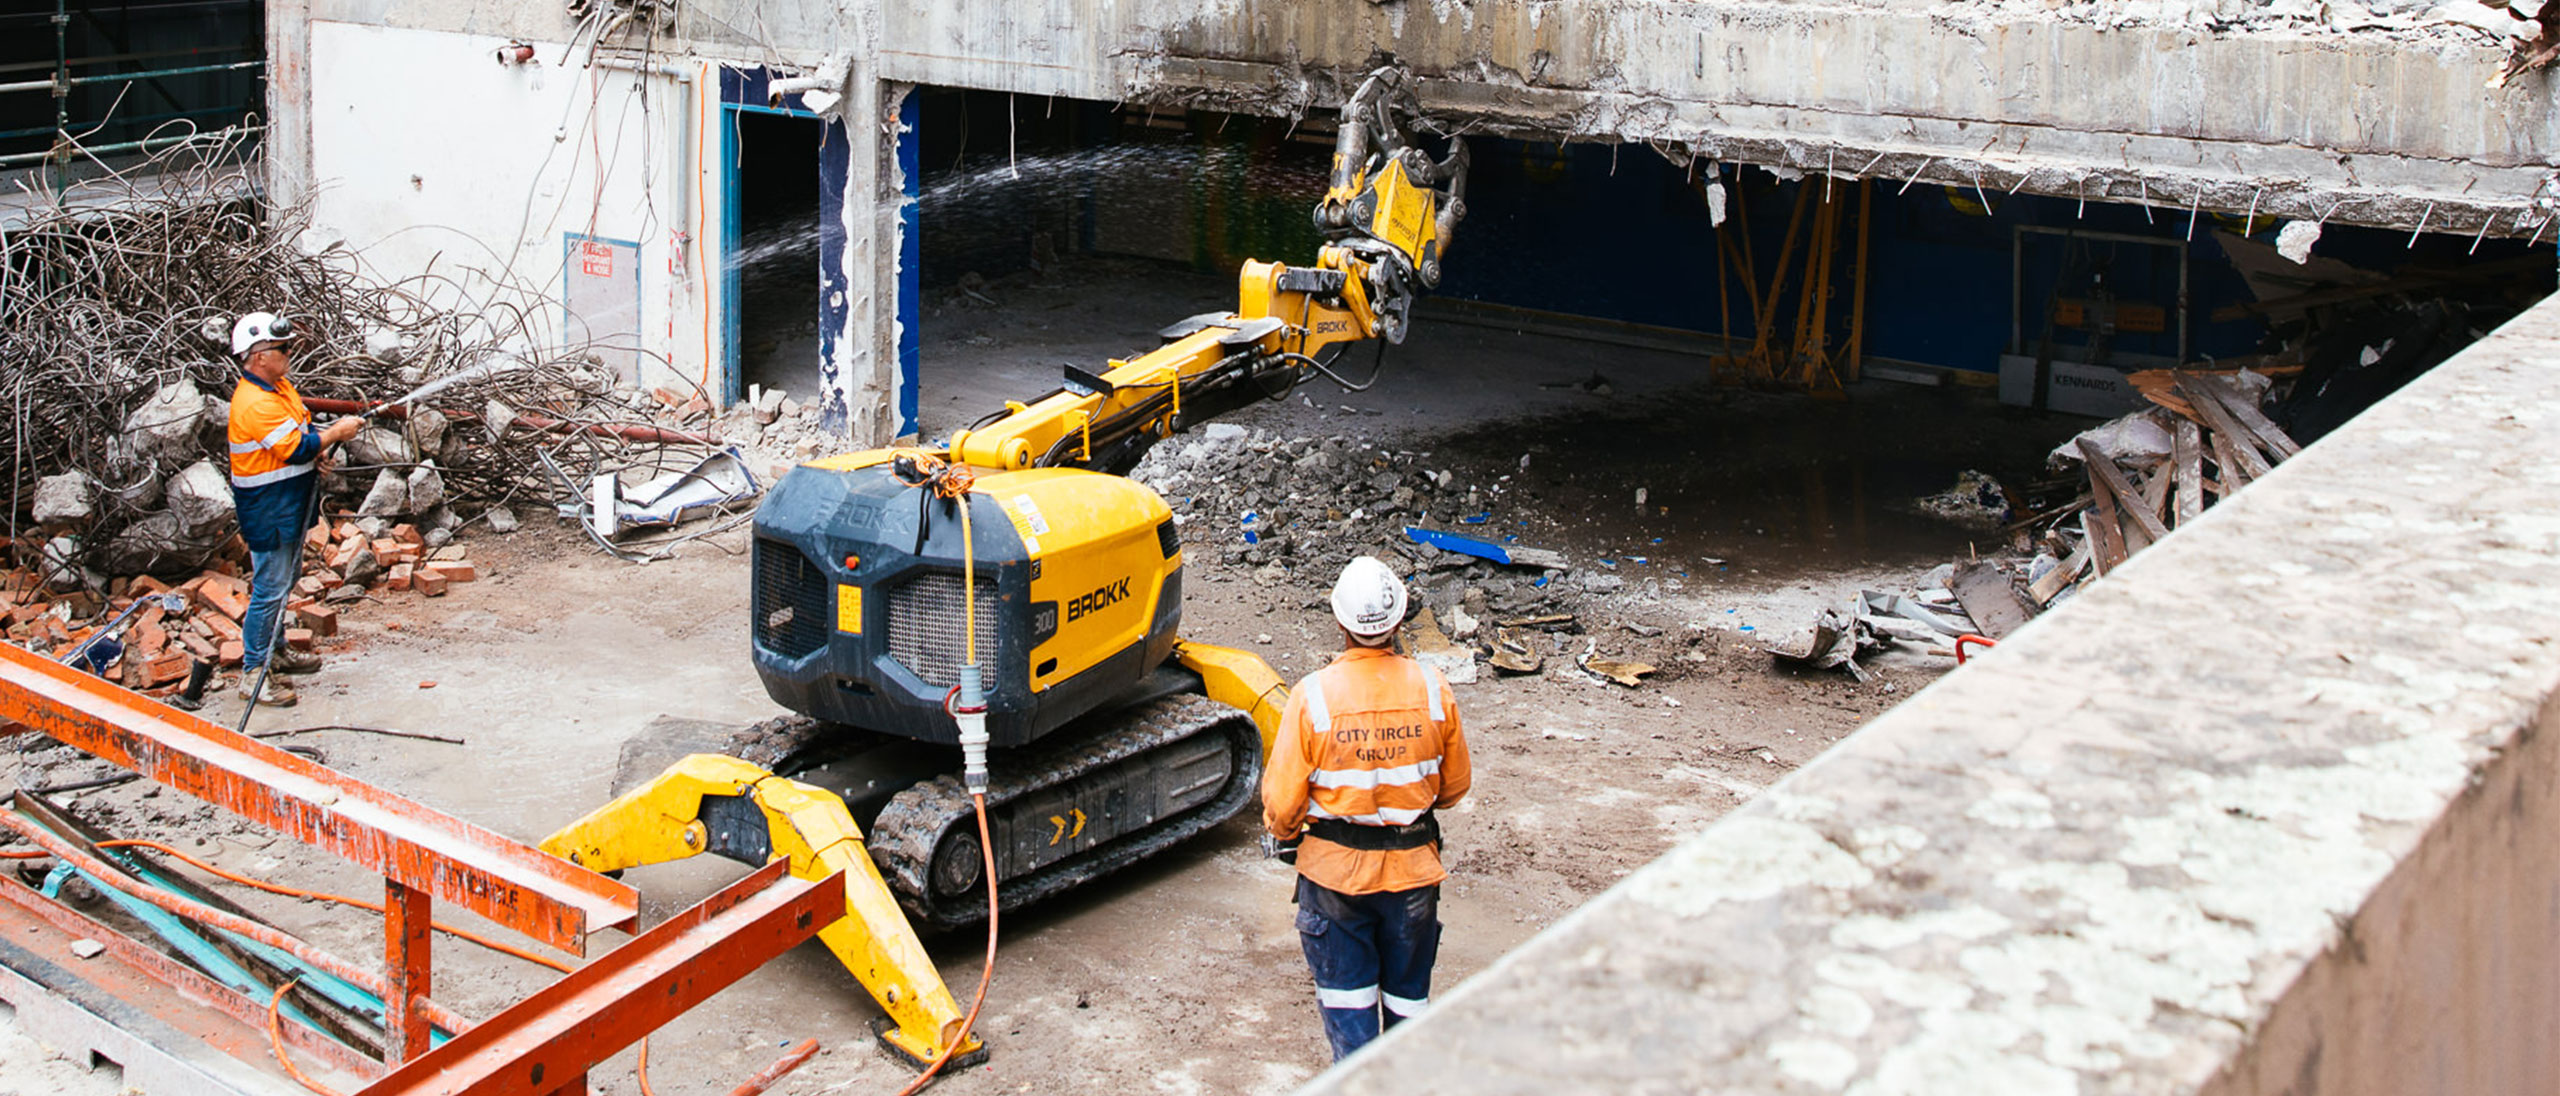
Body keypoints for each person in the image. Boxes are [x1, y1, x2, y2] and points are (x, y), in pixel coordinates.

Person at [1261, 555, 1472, 1062]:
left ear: (1340, 624)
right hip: (1414, 877)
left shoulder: (1313, 697)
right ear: (1398, 621)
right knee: (1408, 1017)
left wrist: (1290, 828)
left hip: (1335, 882)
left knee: (1352, 1031)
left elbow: (1282, 806)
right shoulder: (1433, 688)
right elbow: (1455, 787)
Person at [226, 311, 361, 707]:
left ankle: (276, 651)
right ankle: (254, 672)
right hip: (268, 508)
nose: (288, 354)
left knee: (284, 582)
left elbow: (298, 436)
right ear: (258, 356)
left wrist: (316, 451)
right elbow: (296, 447)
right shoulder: (253, 403)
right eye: (281, 349)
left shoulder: (279, 388)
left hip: (288, 502)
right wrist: (334, 434)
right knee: (269, 588)